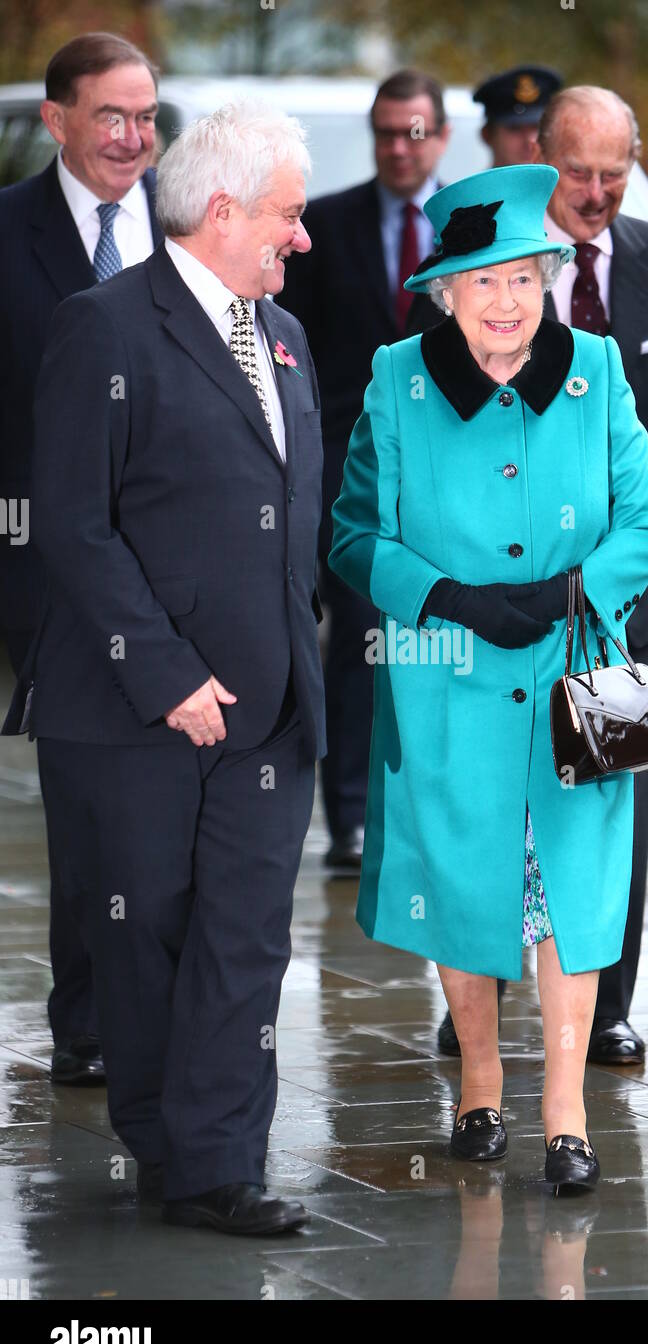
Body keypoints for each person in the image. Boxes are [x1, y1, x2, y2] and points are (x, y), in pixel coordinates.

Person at [3, 101, 326, 1235]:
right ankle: (166, 1142)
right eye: (288, 214)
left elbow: (295, 516)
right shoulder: (104, 329)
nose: (302, 238)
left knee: (245, 936)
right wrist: (168, 674)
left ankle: (216, 1164)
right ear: (224, 209)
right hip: (136, 709)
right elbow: (74, 525)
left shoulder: (283, 337)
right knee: (145, 937)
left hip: (271, 708)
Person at [328, 163, 648, 1190]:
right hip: (448, 676)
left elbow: (646, 516)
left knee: (569, 887)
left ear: (548, 278)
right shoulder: (396, 382)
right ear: (445, 292)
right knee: (467, 877)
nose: (506, 301)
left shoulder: (598, 369)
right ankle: (479, 1083)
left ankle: (564, 1111)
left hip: (575, 678)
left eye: (523, 277)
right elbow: (352, 537)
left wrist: (578, 588)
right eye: (481, 282)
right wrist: (447, 597)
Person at [437, 85, 648, 1064]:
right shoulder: (483, 258)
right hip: (493, 594)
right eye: (577, 173)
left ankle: (605, 1007)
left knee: (607, 800)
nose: (595, 193)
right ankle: (473, 1002)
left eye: (613, 173)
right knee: (487, 801)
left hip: (616, 589)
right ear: (539, 158)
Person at [0, 32, 164, 1088]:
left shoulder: (189, 223)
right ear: (56, 119)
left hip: (180, 559)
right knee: (88, 796)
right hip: (47, 568)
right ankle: (88, 1020)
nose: (131, 137)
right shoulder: (6, 232)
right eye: (109, 115)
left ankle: (168, 1004)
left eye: (146, 117)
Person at [281, 69, 448, 872]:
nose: (398, 147)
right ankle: (349, 817)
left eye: (413, 131)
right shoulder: (327, 224)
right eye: (385, 131)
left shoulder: (471, 225)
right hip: (350, 472)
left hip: (451, 476)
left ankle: (431, 810)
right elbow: (293, 349)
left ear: (441, 138)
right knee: (357, 636)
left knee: (444, 639)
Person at [473, 65, 563, 168]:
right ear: (487, 135)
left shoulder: (575, 183)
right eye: (515, 128)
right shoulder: (470, 185)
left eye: (538, 127)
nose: (530, 140)